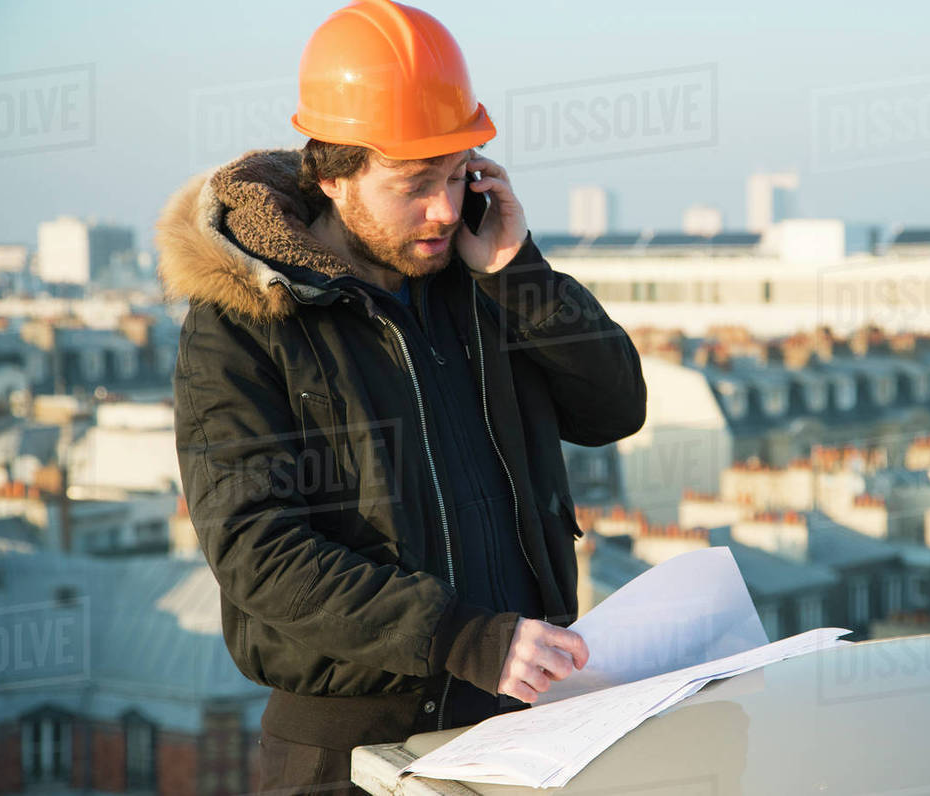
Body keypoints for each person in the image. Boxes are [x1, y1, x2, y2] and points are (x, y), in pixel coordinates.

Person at [156, 1, 647, 792]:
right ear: (332, 175)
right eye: (416, 183)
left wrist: (521, 276)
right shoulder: (244, 323)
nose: (446, 210)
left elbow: (615, 408)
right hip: (345, 755)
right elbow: (260, 553)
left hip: (524, 727)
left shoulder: (486, 279)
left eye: (459, 177)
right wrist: (460, 637)